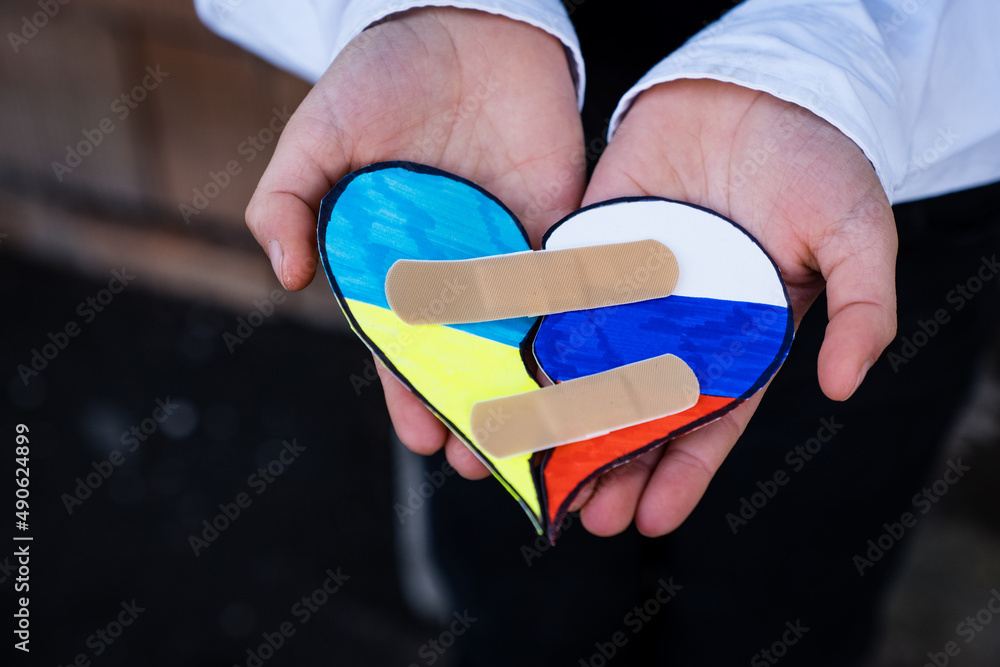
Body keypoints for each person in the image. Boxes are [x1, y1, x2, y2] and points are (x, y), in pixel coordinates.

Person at [198, 1, 1000, 663]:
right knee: (526, 600)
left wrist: (835, 65)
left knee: (787, 593)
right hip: (478, 132)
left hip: (862, 161)